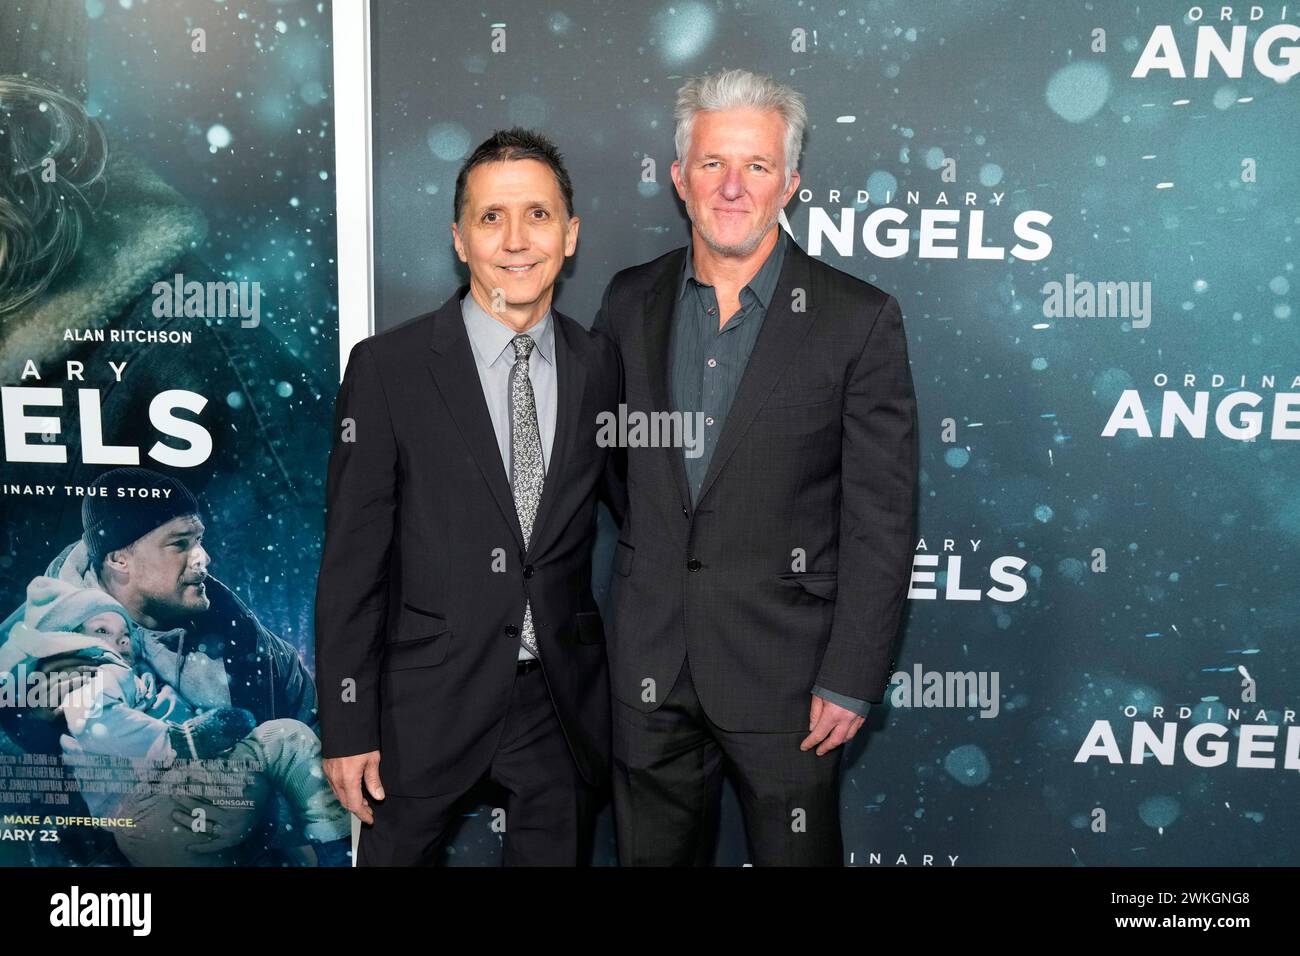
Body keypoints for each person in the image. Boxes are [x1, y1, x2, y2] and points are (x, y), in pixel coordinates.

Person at [594, 69, 919, 865]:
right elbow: (608, 469)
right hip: (649, 670)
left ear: (791, 184)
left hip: (791, 678)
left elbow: (882, 517)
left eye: (758, 167)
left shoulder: (857, 319)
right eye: (712, 164)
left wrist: (850, 677)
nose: (732, 187)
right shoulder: (629, 300)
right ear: (679, 177)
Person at [316, 128, 623, 866]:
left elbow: (639, 522)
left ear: (571, 234)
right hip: (420, 708)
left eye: (539, 215)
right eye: (492, 217)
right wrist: (349, 726)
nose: (516, 240)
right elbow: (352, 565)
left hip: (556, 708)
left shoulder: (599, 365)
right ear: (460, 238)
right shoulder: (388, 369)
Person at [0, 466, 341, 865]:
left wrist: (260, 821)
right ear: (119, 559)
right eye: (180, 544)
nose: (203, 557)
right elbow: (26, 822)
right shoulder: (37, 665)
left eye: (199, 539)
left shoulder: (261, 651)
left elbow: (328, 765)